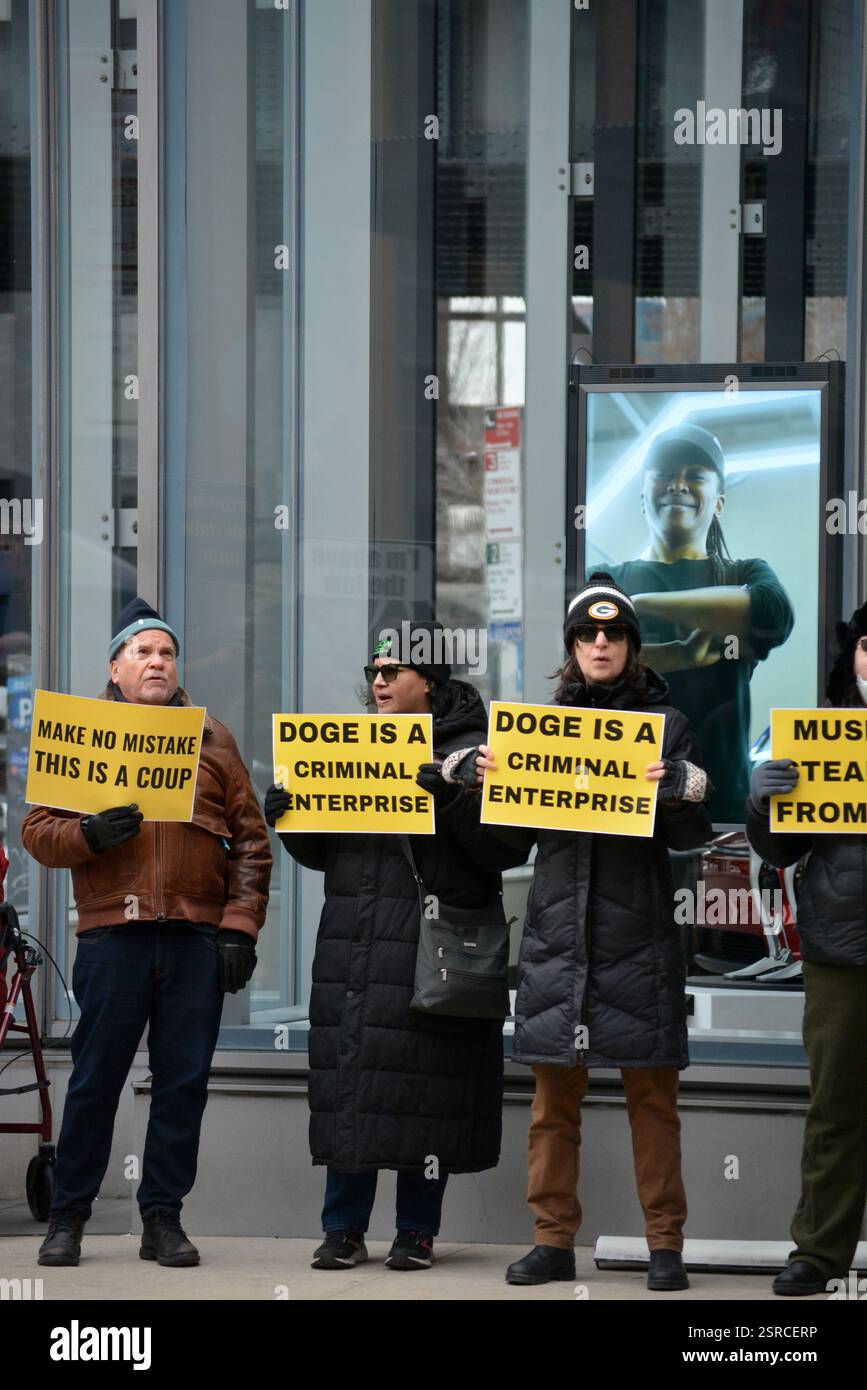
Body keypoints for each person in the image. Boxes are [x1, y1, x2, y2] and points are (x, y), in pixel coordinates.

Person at [263, 621, 525, 1271]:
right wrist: (290, 818)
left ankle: (416, 1231)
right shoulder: (350, 747)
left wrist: (454, 801)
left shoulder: (476, 750)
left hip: (425, 949)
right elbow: (327, 852)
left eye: (392, 671)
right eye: (372, 672)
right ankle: (343, 1229)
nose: (377, 682)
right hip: (354, 943)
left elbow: (505, 848)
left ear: (429, 682)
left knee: (424, 1086)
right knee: (356, 1083)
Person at [476, 574, 713, 1289]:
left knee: (652, 1099)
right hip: (557, 937)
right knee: (552, 1103)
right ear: (572, 648)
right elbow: (510, 843)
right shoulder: (537, 727)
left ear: (631, 647)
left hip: (637, 937)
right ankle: (551, 1242)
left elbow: (689, 833)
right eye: (587, 634)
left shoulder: (666, 725)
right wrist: (485, 784)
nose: (600, 643)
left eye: (612, 635)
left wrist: (678, 785)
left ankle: (663, 1245)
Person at [23, 598, 272, 1268]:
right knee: (95, 1082)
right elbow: (37, 833)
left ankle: (162, 1219)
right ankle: (67, 1219)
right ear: (116, 666)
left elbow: (251, 844)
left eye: (167, 652)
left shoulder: (212, 738)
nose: (158, 662)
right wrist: (87, 834)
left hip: (194, 940)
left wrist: (240, 929)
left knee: (182, 1082)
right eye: (143, 652)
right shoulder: (83, 735)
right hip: (113, 938)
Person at [746, 600, 867, 1296]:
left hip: (835, 942)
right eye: (865, 647)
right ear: (851, 658)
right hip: (840, 951)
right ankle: (818, 1254)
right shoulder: (820, 739)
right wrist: (764, 804)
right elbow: (783, 848)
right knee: (834, 1107)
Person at [603, 422, 794, 823]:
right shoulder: (605, 576)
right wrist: (681, 654)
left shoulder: (744, 572)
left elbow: (772, 612)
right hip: (626, 804)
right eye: (663, 474)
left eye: (694, 475)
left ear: (719, 501)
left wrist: (639, 604)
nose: (677, 484)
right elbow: (590, 662)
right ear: (643, 494)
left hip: (722, 810)